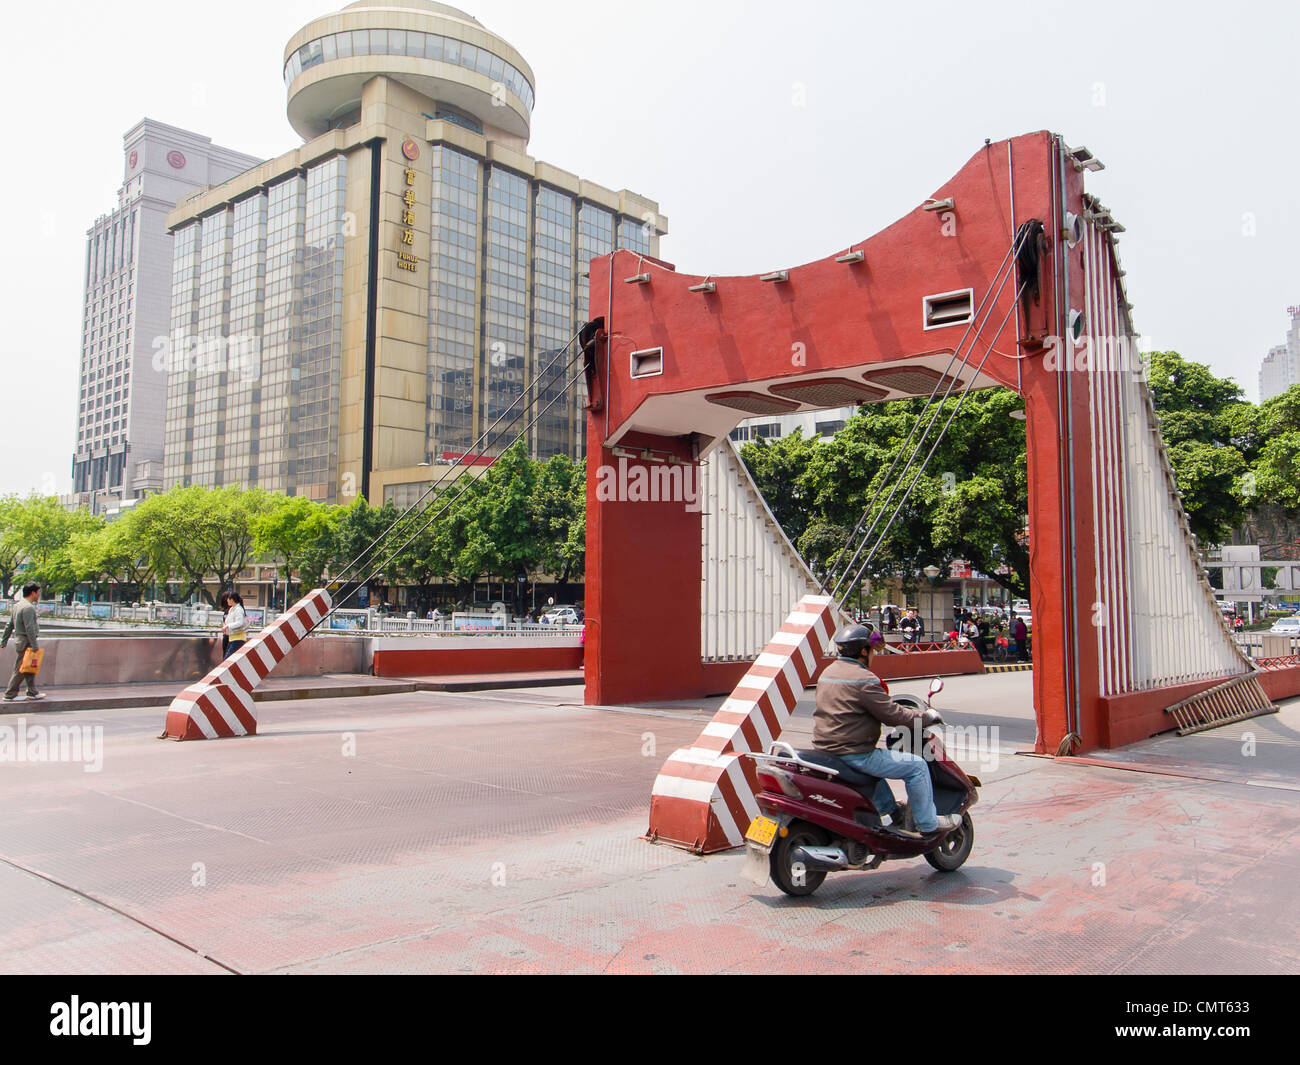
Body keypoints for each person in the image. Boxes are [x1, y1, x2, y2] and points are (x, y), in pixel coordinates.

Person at [812, 624, 961, 837]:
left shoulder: (828, 673)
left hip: (825, 749)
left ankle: (892, 812)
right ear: (864, 651)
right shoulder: (864, 679)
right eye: (872, 650)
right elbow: (893, 715)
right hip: (854, 753)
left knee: (880, 765)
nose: (874, 655)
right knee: (917, 766)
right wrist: (926, 717)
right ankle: (928, 825)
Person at [2, 583, 46, 702]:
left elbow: (9, 625)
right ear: (33, 593)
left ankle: (32, 691)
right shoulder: (28, 608)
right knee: (21, 668)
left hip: (20, 640)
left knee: (29, 666)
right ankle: (9, 694)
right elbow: (29, 628)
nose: (39, 595)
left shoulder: (18, 605)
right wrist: (34, 645)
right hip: (26, 641)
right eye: (38, 593)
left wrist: (3, 640)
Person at [219, 591, 248, 659]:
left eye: (228, 599)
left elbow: (239, 623)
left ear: (231, 600)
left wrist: (227, 626)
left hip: (238, 638)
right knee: (229, 660)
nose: (227, 601)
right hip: (232, 638)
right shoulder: (232, 609)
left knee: (227, 660)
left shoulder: (238, 610)